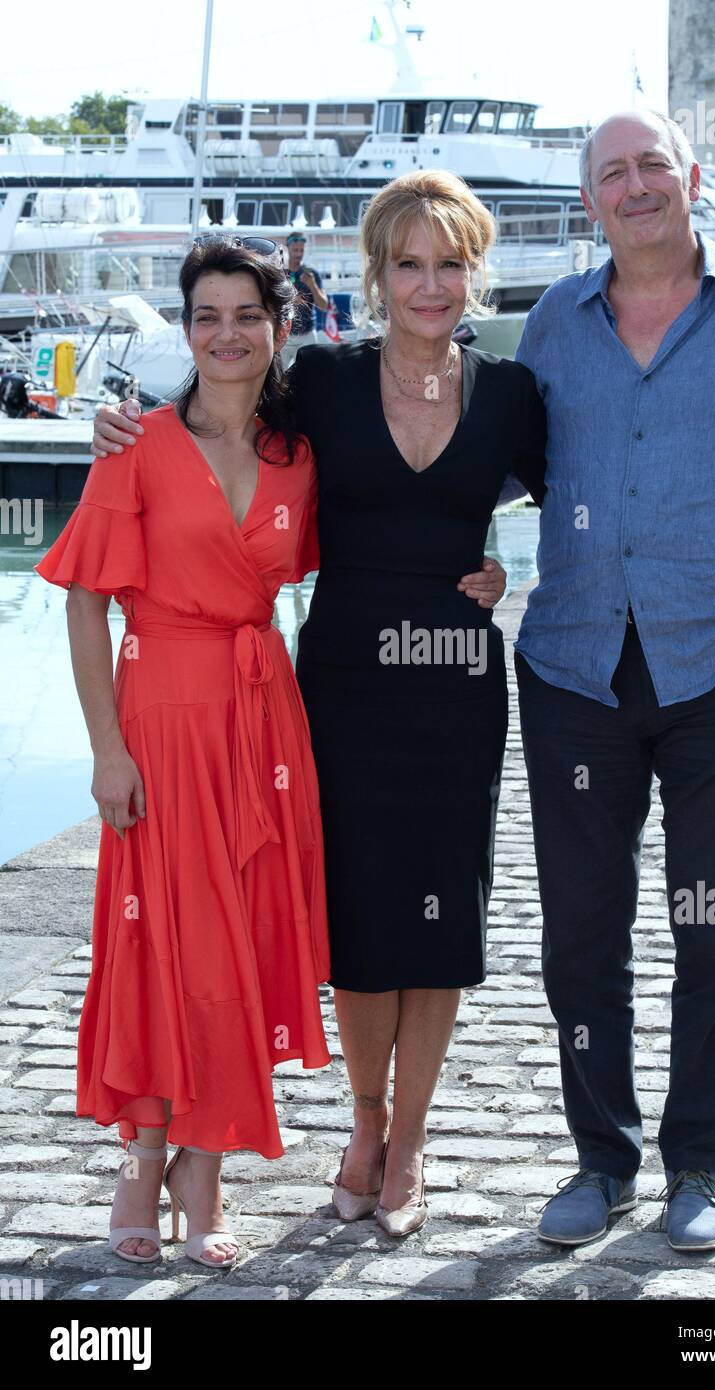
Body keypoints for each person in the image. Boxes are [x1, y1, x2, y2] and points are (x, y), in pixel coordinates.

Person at [91, 169, 547, 1238]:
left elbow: (565, 501)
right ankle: (362, 1118)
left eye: (447, 263)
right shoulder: (326, 384)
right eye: (407, 263)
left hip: (455, 689)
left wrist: (505, 568)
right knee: (353, 916)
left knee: (443, 918)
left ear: (470, 274)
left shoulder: (513, 395)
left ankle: (410, 1144)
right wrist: (121, 425)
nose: (428, 284)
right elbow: (216, 406)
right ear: (378, 275)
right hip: (338, 689)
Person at [513, 109, 715, 1251]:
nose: (636, 184)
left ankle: (697, 1160)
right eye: (612, 173)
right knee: (578, 933)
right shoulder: (554, 319)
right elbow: (478, 454)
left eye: (652, 162)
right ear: (591, 202)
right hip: (572, 669)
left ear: (690, 177)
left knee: (713, 925)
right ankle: (598, 1160)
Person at [36, 240, 334, 1269]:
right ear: (186, 328)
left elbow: (375, 543)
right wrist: (105, 750)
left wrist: (473, 570)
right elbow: (82, 600)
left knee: (239, 937)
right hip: (159, 717)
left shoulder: (300, 455)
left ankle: (201, 1163)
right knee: (162, 938)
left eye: (245, 313)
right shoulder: (134, 445)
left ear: (276, 325)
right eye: (205, 315)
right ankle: (145, 1151)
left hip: (261, 727)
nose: (226, 334)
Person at [282, 232, 329, 358]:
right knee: (279, 374)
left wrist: (312, 285)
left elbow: (324, 306)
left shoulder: (311, 274)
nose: (298, 254)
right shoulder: (280, 274)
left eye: (301, 250)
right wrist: (290, 299)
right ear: (288, 249)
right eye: (295, 250)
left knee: (313, 373)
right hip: (284, 334)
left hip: (307, 334)